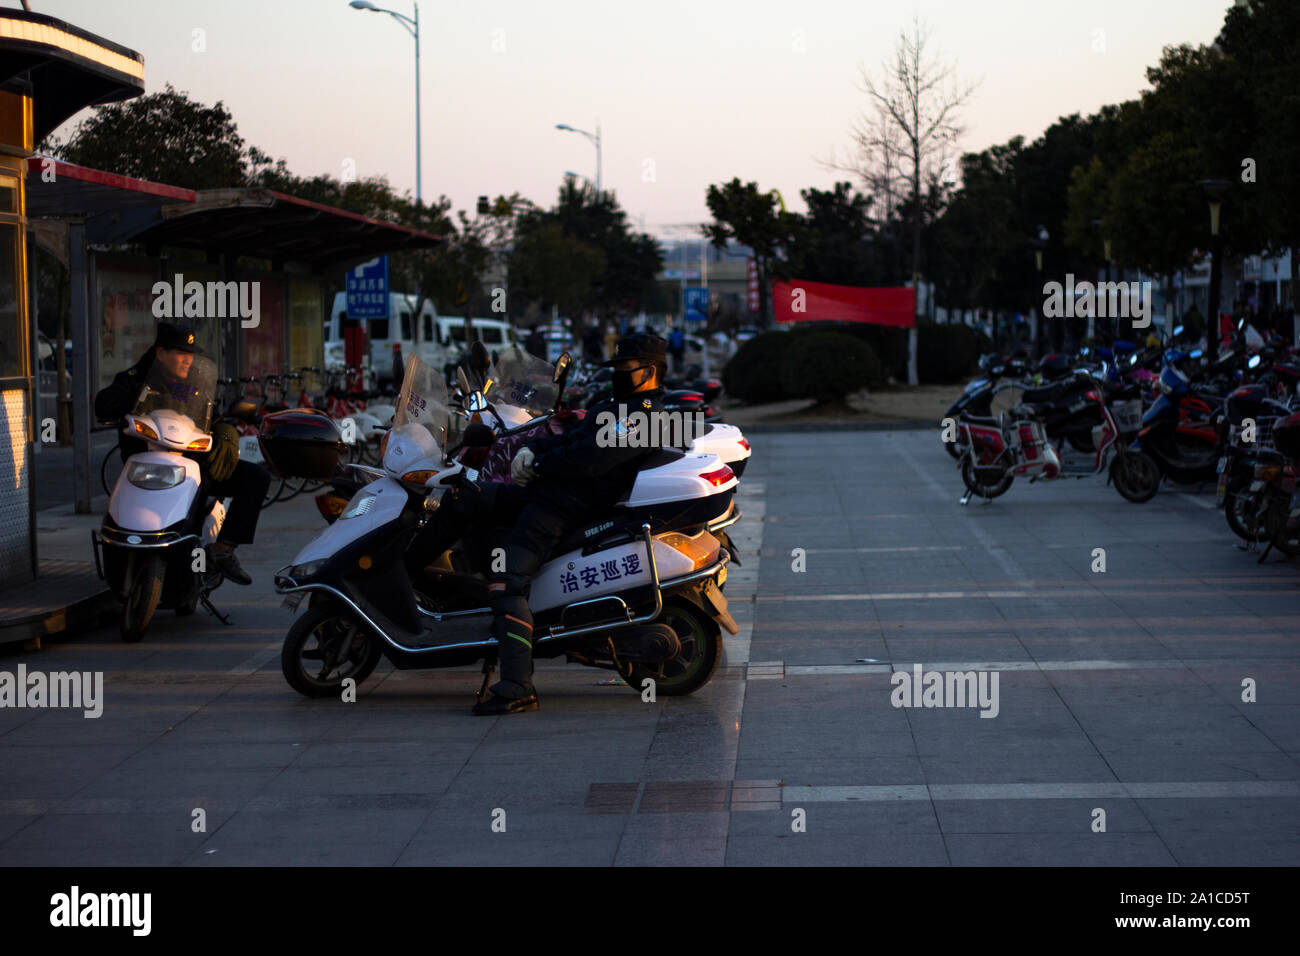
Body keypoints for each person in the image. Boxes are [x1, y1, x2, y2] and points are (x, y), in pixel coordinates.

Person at [404, 333, 669, 715]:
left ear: (650, 371)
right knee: (465, 496)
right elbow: (575, 436)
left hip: (566, 507)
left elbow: (590, 459)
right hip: (546, 494)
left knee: (507, 583)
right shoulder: (619, 406)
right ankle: (409, 583)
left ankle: (517, 686)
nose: (619, 375)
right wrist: (533, 450)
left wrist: (540, 464)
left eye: (626, 369)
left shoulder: (647, 417)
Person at [94, 322, 270, 585]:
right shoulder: (137, 377)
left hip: (191, 470)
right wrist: (129, 400)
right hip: (147, 470)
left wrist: (223, 429)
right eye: (180, 353)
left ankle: (223, 550)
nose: (188, 359)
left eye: (190, 353)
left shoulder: (198, 382)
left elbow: (210, 417)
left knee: (256, 477)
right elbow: (105, 402)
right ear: (160, 352)